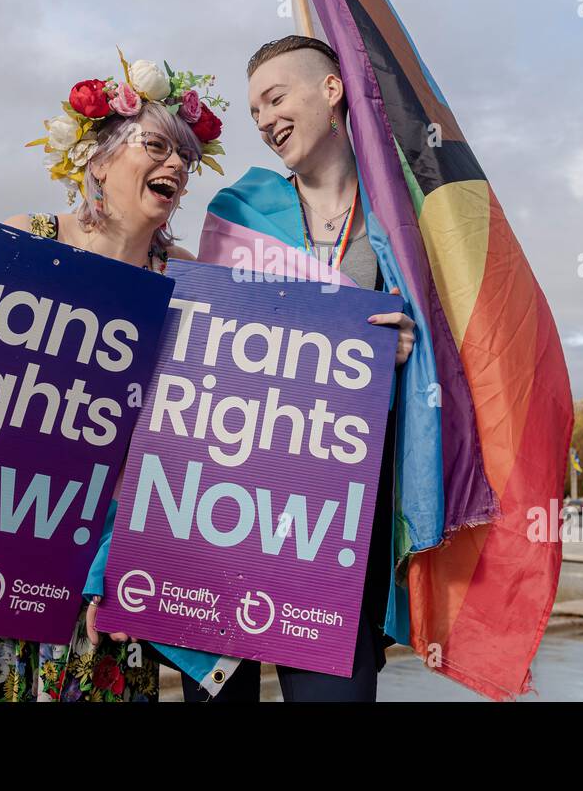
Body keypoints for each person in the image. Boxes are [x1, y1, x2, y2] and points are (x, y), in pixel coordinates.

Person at [0, 51, 222, 701]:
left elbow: (197, 438)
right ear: (100, 158)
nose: (177, 166)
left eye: (187, 158)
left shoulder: (189, 283)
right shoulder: (23, 240)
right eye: (159, 146)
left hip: (103, 575)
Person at [180, 35, 418, 701]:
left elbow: (446, 351)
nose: (263, 121)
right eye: (254, 111)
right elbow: (204, 348)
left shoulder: (398, 218)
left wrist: (406, 346)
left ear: (332, 90)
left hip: (340, 515)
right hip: (227, 502)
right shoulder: (237, 212)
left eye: (275, 98)